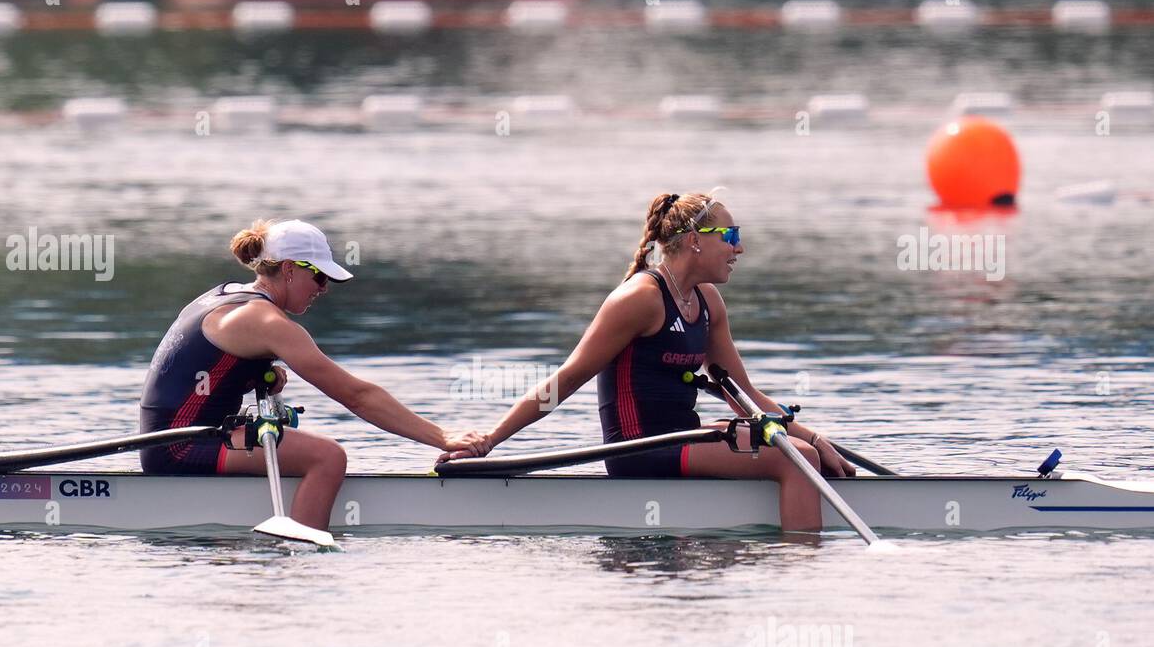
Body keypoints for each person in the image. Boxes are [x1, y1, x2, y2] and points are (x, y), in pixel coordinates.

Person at [439, 191, 854, 531]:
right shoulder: (639, 300)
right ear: (695, 239)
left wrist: (817, 439)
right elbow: (567, 379)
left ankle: (783, 534)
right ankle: (799, 570)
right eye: (730, 235)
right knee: (796, 459)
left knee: (804, 451)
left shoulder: (708, 301)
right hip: (638, 449)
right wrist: (491, 440)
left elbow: (742, 395)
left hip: (683, 438)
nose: (739, 247)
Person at [140, 218, 486, 530]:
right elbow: (357, 396)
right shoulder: (266, 322)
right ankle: (303, 553)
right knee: (327, 457)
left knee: (303, 444)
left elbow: (203, 370)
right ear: (290, 269)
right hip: (181, 446)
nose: (323, 288)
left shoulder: (225, 294)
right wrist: (443, 436)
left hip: (172, 437)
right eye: (319, 276)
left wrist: (256, 375)